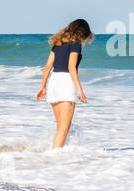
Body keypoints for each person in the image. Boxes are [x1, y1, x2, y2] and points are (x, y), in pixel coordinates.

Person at [36, 18, 93, 149]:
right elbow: (71, 67)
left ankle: (57, 153)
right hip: (66, 82)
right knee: (64, 128)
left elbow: (47, 67)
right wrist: (80, 90)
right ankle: (55, 157)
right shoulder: (76, 44)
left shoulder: (57, 43)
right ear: (83, 32)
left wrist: (43, 87)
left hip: (54, 82)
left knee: (60, 126)